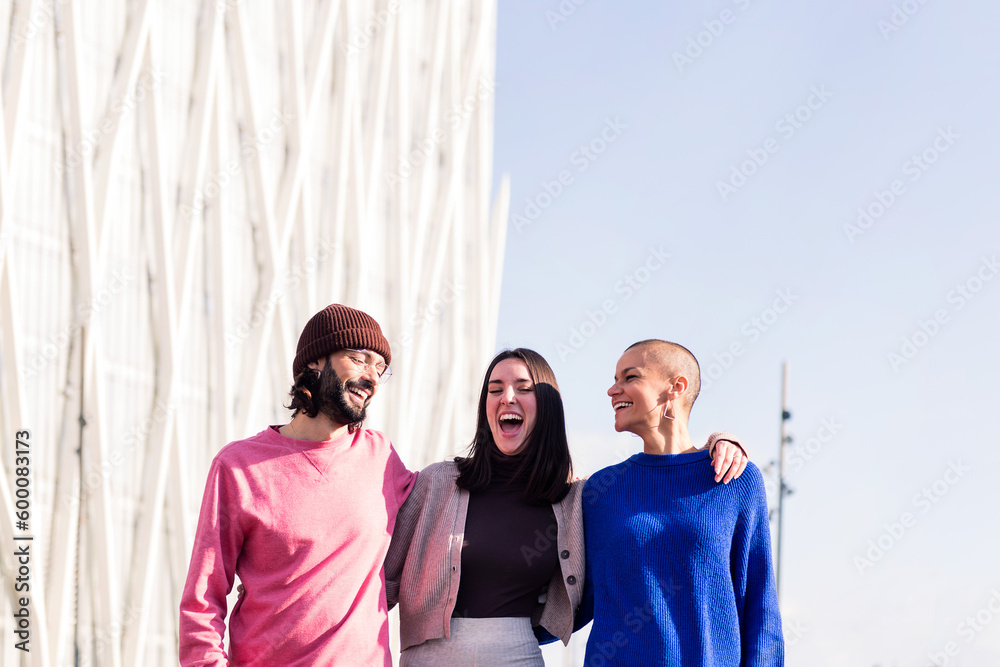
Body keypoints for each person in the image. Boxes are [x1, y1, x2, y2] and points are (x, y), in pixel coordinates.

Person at [385, 348, 748, 666]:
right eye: (495, 390)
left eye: (524, 389)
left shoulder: (575, 498)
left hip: (518, 655)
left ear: (546, 407)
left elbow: (659, 493)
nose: (507, 397)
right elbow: (378, 585)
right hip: (427, 657)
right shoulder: (436, 483)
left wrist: (718, 442)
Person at [179, 304, 416, 666]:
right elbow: (202, 601)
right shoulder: (239, 466)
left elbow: (451, 503)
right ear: (315, 363)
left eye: (380, 367)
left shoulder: (381, 458)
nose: (372, 377)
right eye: (359, 358)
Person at [581, 339, 783, 666]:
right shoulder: (600, 490)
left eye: (629, 377)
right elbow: (573, 599)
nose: (612, 390)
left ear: (676, 387)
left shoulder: (736, 479)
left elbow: (759, 605)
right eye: (614, 379)